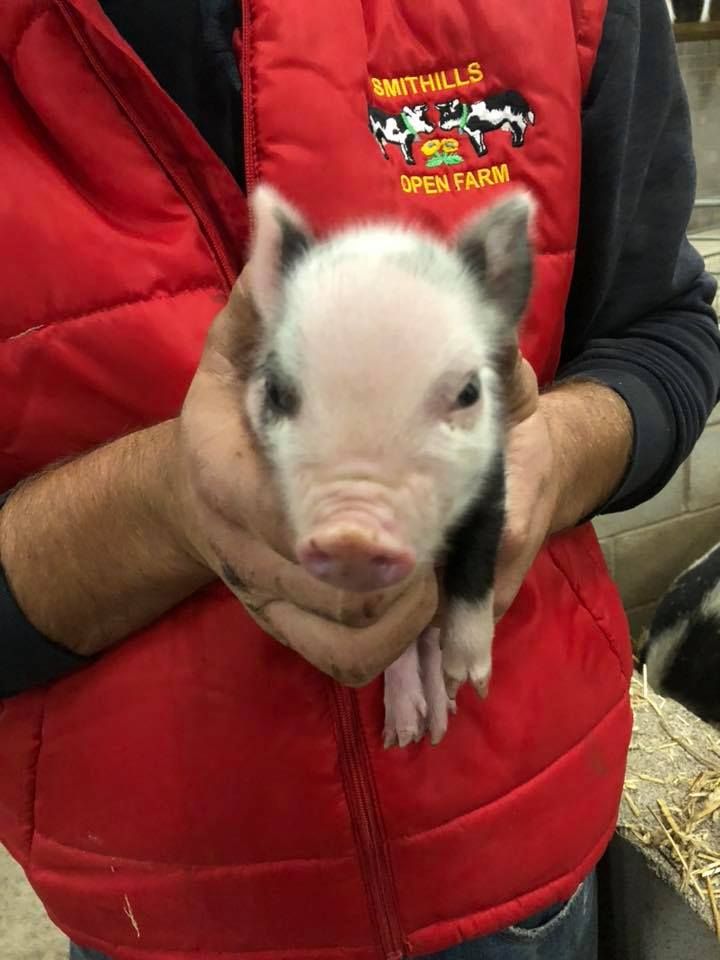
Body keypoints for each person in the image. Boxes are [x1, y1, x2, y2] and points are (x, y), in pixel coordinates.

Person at [0, 0, 718, 958]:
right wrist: (167, 504)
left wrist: (550, 458)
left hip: (519, 855)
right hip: (157, 901)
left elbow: (665, 329)